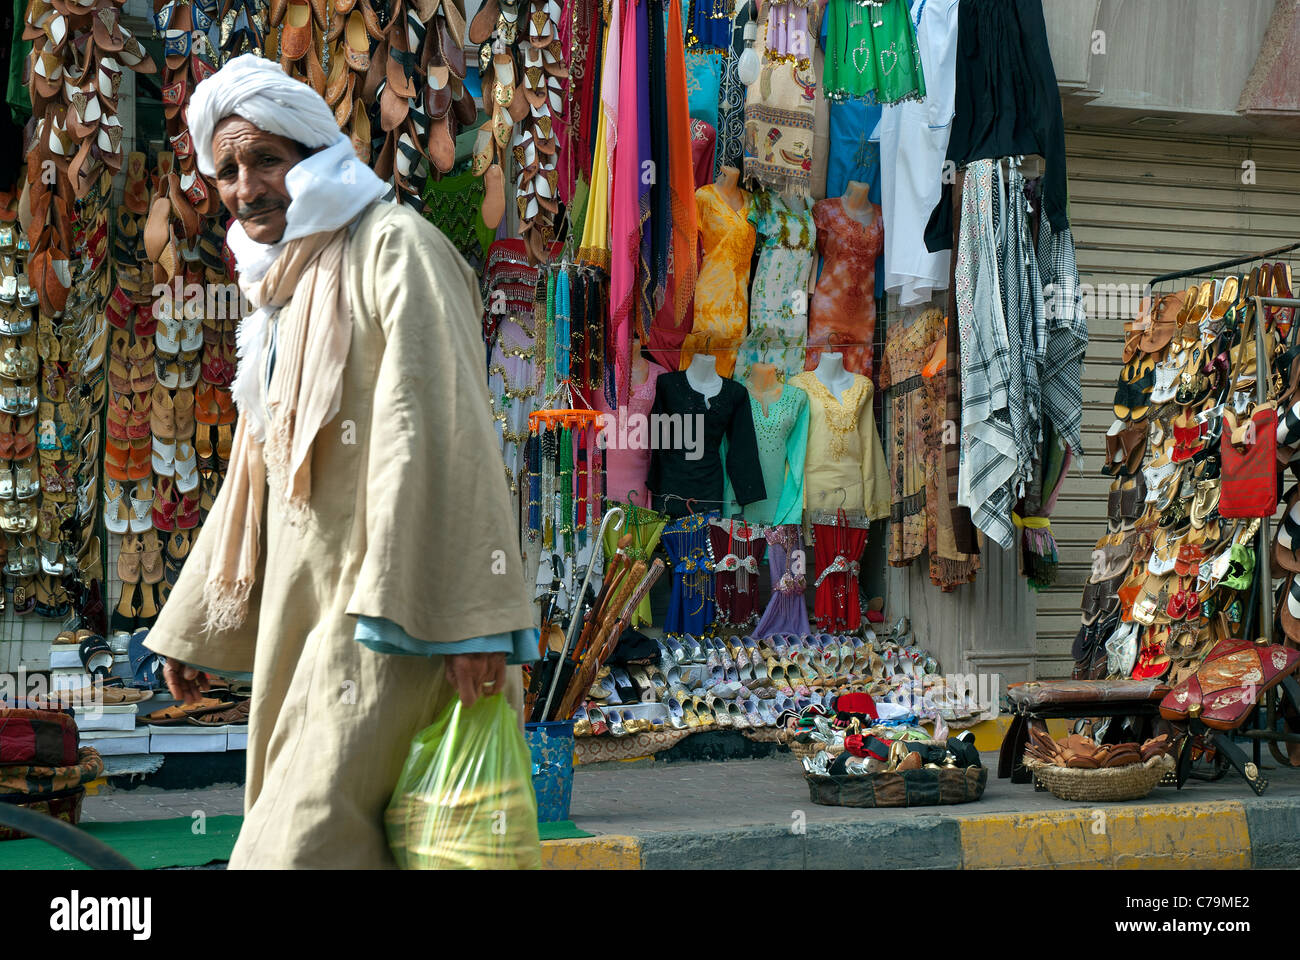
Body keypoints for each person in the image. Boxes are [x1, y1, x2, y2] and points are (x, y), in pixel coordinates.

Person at [144, 55, 538, 869]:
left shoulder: (395, 249)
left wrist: (468, 613)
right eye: (226, 171)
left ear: (314, 157)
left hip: (396, 617)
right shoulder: (283, 291)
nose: (245, 186)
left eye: (265, 161)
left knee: (293, 849)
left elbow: (444, 424)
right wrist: (188, 627)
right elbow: (259, 463)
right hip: (307, 621)